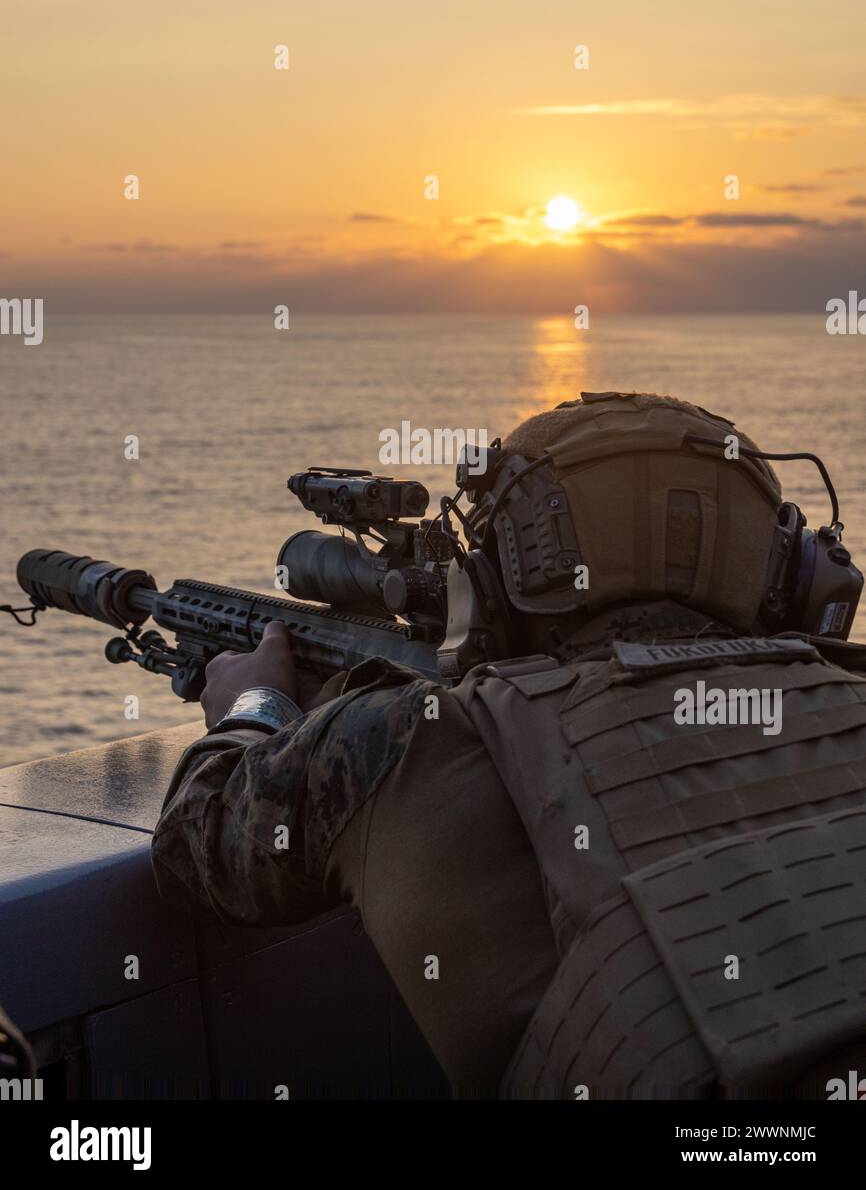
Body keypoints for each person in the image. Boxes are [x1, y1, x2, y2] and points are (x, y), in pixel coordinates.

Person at [151, 392, 866, 1099]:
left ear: (492, 585)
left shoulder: (415, 738)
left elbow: (194, 849)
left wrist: (252, 705)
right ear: (788, 577)